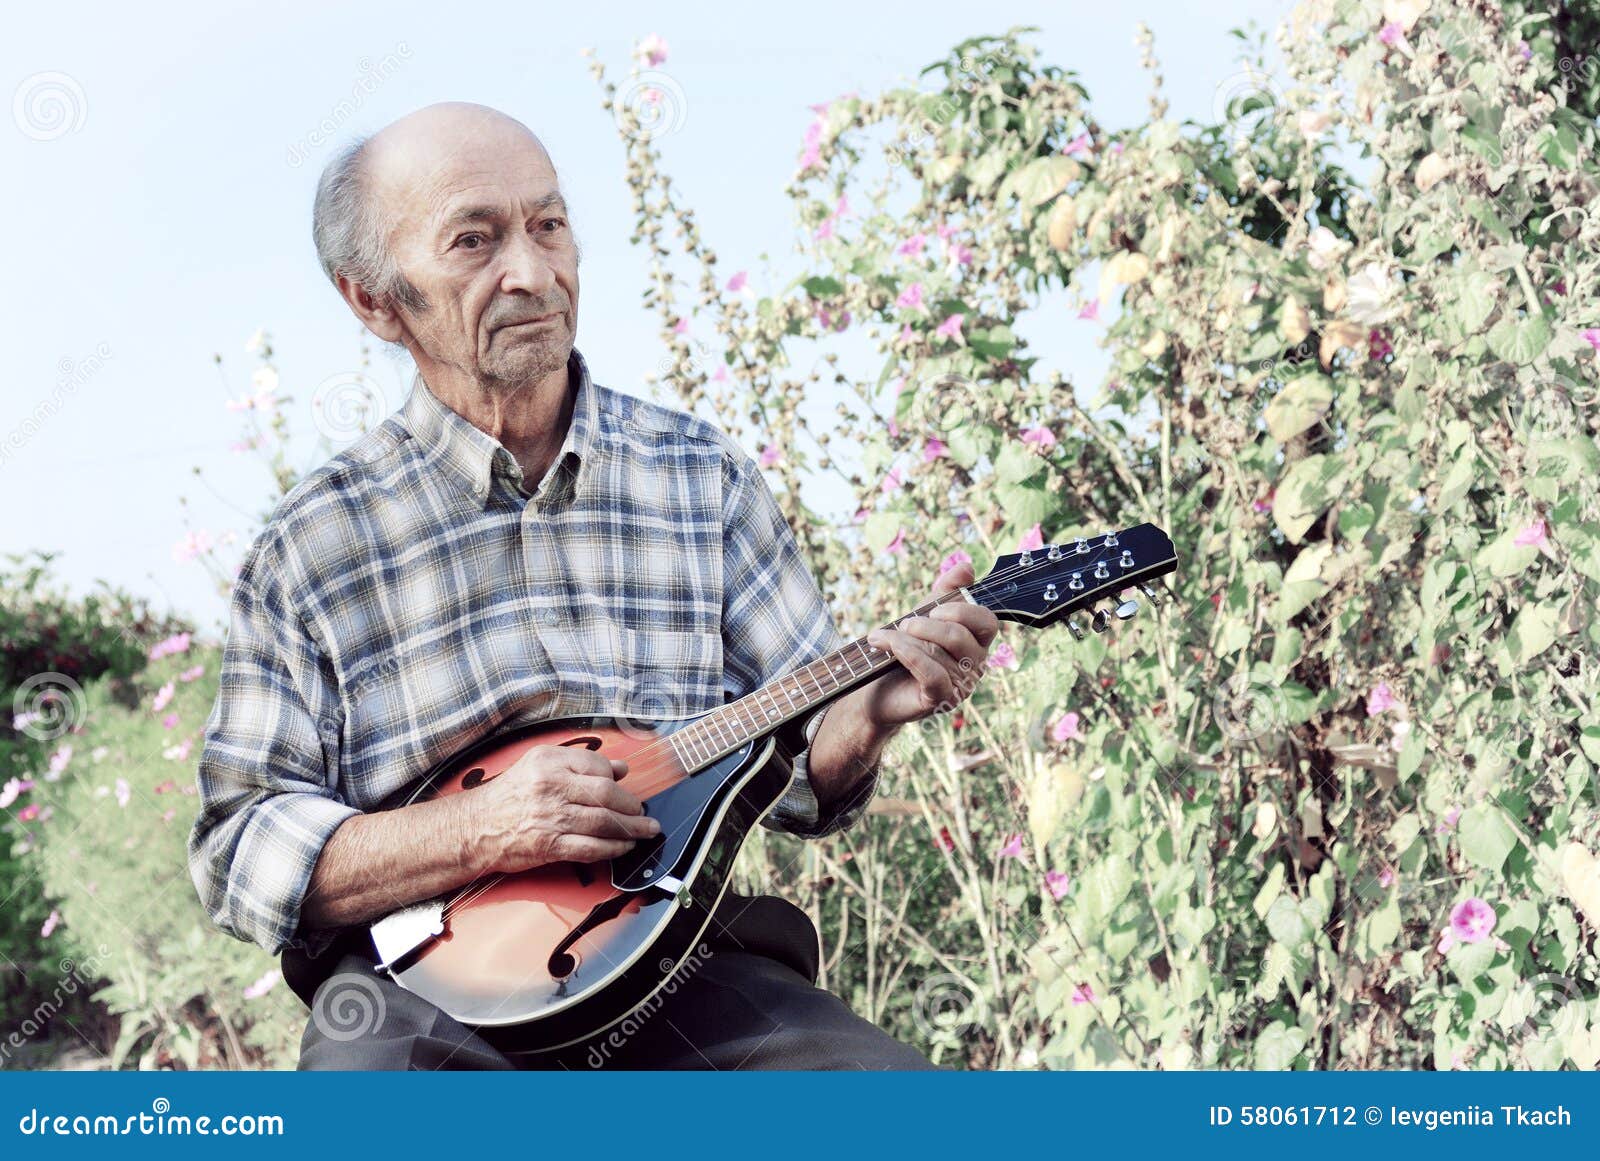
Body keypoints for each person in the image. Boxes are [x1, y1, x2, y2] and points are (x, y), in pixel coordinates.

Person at [187, 102, 998, 1070]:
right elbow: (239, 850)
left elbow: (800, 771)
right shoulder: (313, 542)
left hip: (676, 956)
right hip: (424, 999)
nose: (530, 272)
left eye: (548, 224)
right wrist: (477, 832)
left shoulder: (701, 477)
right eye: (473, 241)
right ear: (373, 301)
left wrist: (863, 719)